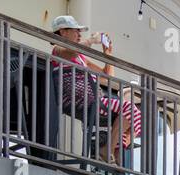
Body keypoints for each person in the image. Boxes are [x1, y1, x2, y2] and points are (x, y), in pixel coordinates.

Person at [49, 15, 137, 167]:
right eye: (76, 31)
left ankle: (113, 149)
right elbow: (73, 51)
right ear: (63, 32)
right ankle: (108, 150)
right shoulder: (58, 49)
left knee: (135, 118)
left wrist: (107, 53)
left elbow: (108, 77)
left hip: (90, 101)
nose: (79, 34)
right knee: (130, 109)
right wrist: (91, 40)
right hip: (80, 100)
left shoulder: (80, 56)